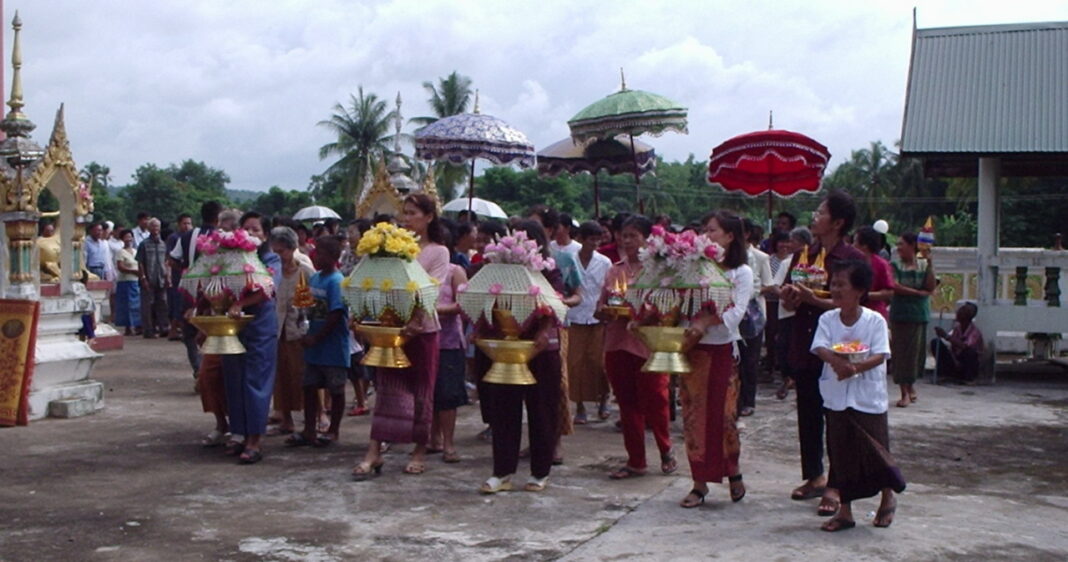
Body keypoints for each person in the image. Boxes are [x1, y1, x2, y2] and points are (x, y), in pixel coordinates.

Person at [779, 190, 865, 514]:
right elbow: (789, 297)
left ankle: (837, 483)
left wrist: (814, 300)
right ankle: (814, 475)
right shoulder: (805, 254)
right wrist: (790, 296)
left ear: (839, 222)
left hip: (840, 346)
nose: (815, 216)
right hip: (806, 341)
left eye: (822, 211)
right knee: (809, 412)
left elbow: (851, 303)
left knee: (838, 415)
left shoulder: (852, 259)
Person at [353, 193, 448, 480]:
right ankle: (374, 450)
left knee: (422, 390)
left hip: (422, 332)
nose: (406, 219)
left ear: (429, 217)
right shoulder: (390, 249)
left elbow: (434, 288)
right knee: (387, 390)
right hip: (391, 328)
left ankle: (419, 451)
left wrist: (418, 317)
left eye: (412, 213)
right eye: (404, 213)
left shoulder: (438, 251)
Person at [810, 259, 905, 531]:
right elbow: (819, 346)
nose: (835, 289)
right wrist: (838, 363)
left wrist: (854, 368)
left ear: (859, 290)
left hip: (867, 395)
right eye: (833, 283)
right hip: (836, 393)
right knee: (841, 452)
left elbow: (880, 353)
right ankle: (845, 511)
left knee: (875, 449)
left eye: (842, 284)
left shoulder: (874, 320)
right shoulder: (827, 318)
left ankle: (888, 497)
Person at [478, 220, 566, 494]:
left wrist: (544, 330)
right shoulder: (495, 270)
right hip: (506, 349)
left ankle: (540, 471)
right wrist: (479, 329)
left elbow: (555, 303)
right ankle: (502, 471)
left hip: (540, 350)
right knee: (504, 409)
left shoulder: (549, 272)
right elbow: (481, 298)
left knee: (542, 411)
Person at [677, 210, 753, 508]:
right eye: (704, 230)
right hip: (693, 352)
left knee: (724, 417)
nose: (706, 236)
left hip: (721, 352)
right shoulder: (694, 268)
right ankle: (699, 483)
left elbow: (735, 316)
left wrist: (706, 322)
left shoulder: (740, 273)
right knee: (693, 417)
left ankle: (732, 469)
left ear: (730, 236)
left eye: (713, 231)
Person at [599, 216, 676, 481]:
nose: (627, 241)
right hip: (618, 342)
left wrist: (644, 317)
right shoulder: (614, 270)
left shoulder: (659, 270)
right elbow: (602, 306)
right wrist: (607, 313)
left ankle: (666, 450)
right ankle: (636, 460)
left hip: (649, 344)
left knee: (656, 400)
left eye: (633, 236)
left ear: (647, 239)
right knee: (626, 403)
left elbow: (668, 306)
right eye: (624, 235)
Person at [219, 218, 279, 465]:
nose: (251, 233)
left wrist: (241, 304)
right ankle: (239, 433)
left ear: (265, 235)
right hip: (233, 326)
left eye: (256, 229)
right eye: (247, 229)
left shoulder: (270, 260)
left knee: (255, 381)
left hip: (259, 327)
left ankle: (255, 439)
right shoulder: (233, 257)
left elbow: (266, 287)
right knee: (234, 379)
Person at [285, 236, 349, 448]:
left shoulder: (336, 281)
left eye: (321, 254)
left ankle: (334, 430)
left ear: (332, 257)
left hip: (332, 346)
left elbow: (336, 313)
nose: (316, 257)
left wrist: (317, 337)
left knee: (336, 388)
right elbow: (305, 305)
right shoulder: (314, 278)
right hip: (313, 346)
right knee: (309, 386)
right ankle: (309, 429)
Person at [268, 226, 315, 436]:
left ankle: (313, 418)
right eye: (275, 252)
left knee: (304, 375)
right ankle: (286, 419)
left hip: (300, 329)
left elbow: (314, 301)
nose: (279, 257)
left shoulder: (305, 269)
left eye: (282, 252)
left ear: (292, 248)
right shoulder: (273, 270)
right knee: (281, 376)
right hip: (278, 329)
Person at [568, 221, 612, 425]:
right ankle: (580, 407)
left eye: (598, 240)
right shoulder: (570, 259)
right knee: (575, 363)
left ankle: (603, 399)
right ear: (581, 239)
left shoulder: (604, 262)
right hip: (575, 316)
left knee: (598, 362)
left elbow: (610, 289)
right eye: (591, 239)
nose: (595, 244)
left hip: (597, 318)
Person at [173, 201, 223, 378]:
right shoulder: (223, 236)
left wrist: (187, 270)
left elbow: (173, 259)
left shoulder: (187, 236)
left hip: (190, 288)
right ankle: (212, 369)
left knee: (189, 332)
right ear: (218, 218)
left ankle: (198, 368)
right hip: (218, 290)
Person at [429, 258, 469, 463]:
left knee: (447, 394)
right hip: (425, 339)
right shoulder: (420, 268)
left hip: (449, 341)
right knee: (430, 393)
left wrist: (435, 310)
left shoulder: (454, 271)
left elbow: (464, 304)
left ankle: (448, 444)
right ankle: (433, 439)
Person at [891, 232, 936, 407]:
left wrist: (931, 264)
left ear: (912, 245)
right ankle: (904, 392)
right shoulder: (895, 265)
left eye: (901, 244)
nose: (898, 247)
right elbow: (894, 286)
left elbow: (930, 287)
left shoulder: (923, 265)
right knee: (901, 354)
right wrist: (917, 293)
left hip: (919, 315)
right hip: (900, 314)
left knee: (915, 355)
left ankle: (910, 386)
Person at [738, 218, 774, 417]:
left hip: (753, 314)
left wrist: (751, 290)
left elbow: (769, 284)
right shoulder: (725, 256)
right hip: (733, 312)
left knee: (750, 359)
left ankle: (748, 400)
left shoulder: (760, 257)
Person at [775, 226, 814, 400]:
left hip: (804, 311)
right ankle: (788, 378)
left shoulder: (813, 261)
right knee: (784, 346)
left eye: (793, 241)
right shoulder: (788, 262)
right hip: (787, 310)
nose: (790, 244)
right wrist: (787, 297)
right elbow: (780, 285)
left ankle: (796, 378)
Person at [932, 302, 984, 384]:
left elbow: (964, 346)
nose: (958, 313)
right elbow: (951, 345)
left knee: (969, 352)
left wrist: (946, 336)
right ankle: (945, 373)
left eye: (961, 312)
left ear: (967, 317)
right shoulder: (957, 328)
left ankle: (968, 378)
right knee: (936, 342)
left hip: (967, 365)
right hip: (956, 361)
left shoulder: (974, 332)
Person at [764, 230, 791, 380]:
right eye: (781, 242)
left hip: (788, 303)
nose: (784, 245)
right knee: (771, 332)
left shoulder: (795, 260)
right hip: (771, 301)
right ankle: (770, 363)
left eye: (787, 242)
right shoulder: (769, 260)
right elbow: (767, 281)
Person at [136, 218, 170, 339]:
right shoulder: (144, 244)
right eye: (153, 226)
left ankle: (164, 328)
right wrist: (143, 278)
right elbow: (140, 262)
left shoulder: (163, 244)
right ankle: (148, 330)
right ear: (149, 228)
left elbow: (166, 262)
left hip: (160, 278)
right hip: (148, 278)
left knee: (162, 304)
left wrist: (167, 277)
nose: (155, 229)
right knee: (147, 305)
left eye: (157, 226)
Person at [853, 226, 894, 320]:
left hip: (874, 314)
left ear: (864, 245)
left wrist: (865, 295)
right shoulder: (850, 261)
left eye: (855, 241)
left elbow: (889, 292)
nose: (852, 245)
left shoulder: (881, 264)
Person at [166, 214, 193, 340]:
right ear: (179, 224)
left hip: (190, 276)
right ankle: (173, 329)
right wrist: (181, 270)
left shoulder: (192, 237)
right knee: (177, 303)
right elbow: (170, 259)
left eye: (189, 223)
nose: (187, 226)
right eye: (184, 223)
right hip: (179, 276)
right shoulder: (174, 238)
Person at [113, 229, 142, 336]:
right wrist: (133, 271)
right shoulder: (120, 252)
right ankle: (128, 327)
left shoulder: (135, 251)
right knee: (126, 305)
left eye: (130, 237)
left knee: (136, 305)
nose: (128, 239)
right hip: (125, 281)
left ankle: (137, 325)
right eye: (126, 237)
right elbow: (120, 266)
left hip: (135, 281)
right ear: (122, 239)